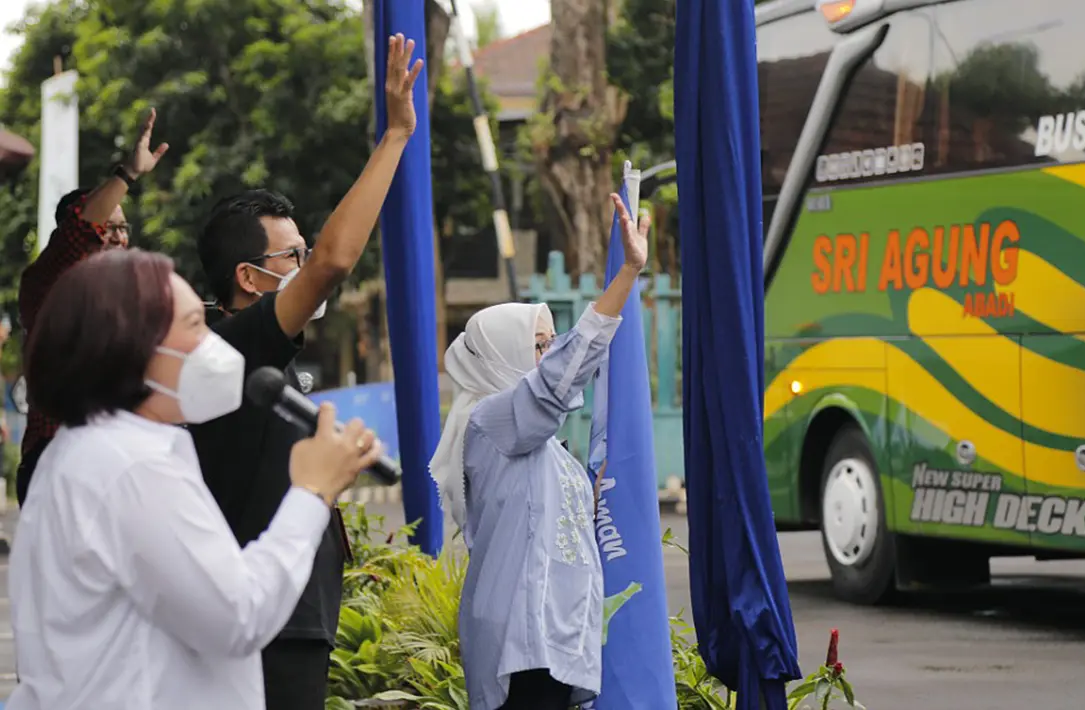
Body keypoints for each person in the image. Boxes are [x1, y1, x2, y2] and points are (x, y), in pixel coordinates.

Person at [7, 248, 383, 710]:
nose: (214, 345)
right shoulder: (131, 467)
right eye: (193, 327)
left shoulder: (97, 451)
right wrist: (311, 492)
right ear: (132, 348)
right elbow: (238, 615)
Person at [188, 34, 422, 710]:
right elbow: (334, 262)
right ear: (248, 277)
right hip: (269, 625)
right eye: (291, 255)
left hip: (291, 619)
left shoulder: (255, 361)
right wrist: (395, 139)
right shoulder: (235, 350)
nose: (306, 262)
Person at [430, 194, 651, 710]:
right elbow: (559, 381)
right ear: (501, 354)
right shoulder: (492, 419)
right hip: (521, 638)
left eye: (552, 342)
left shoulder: (540, 440)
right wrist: (626, 277)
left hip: (550, 637)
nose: (549, 354)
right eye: (538, 345)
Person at [14, 108, 168, 505]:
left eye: (122, 228)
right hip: (57, 457)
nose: (117, 238)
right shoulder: (47, 283)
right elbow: (81, 231)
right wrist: (128, 175)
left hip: (118, 459)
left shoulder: (130, 302)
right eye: (107, 228)